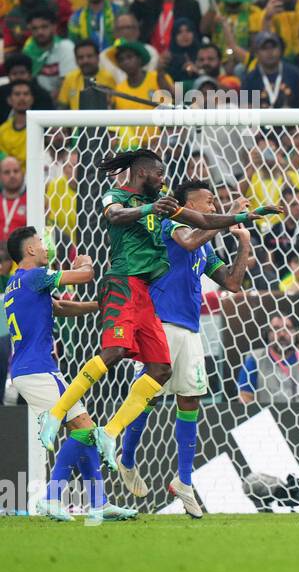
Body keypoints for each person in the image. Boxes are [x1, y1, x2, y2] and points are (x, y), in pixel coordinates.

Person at [36, 150, 282, 464]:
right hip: (123, 282)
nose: (163, 179)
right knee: (114, 352)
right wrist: (153, 207)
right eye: (159, 173)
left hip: (145, 296)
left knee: (160, 370)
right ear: (142, 173)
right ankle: (55, 414)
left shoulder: (165, 203)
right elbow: (114, 216)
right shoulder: (117, 195)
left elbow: (203, 222)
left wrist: (245, 216)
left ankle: (109, 432)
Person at [115, 180, 253, 517]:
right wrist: (227, 216)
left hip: (190, 329)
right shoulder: (170, 226)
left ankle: (184, 481)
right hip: (157, 323)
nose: (211, 207)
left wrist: (244, 242)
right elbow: (190, 241)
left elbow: (233, 284)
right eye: (207, 202)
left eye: (213, 202)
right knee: (148, 395)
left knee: (190, 398)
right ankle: (127, 458)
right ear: (185, 203)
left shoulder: (204, 247)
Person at [6, 228, 135, 522]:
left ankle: (99, 504)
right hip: (39, 368)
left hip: (28, 369)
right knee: (83, 427)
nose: (44, 247)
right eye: (40, 243)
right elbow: (85, 276)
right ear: (29, 251)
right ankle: (51, 497)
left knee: (86, 429)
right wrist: (84, 261)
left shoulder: (17, 283)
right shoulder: (36, 276)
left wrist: (99, 308)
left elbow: (60, 307)